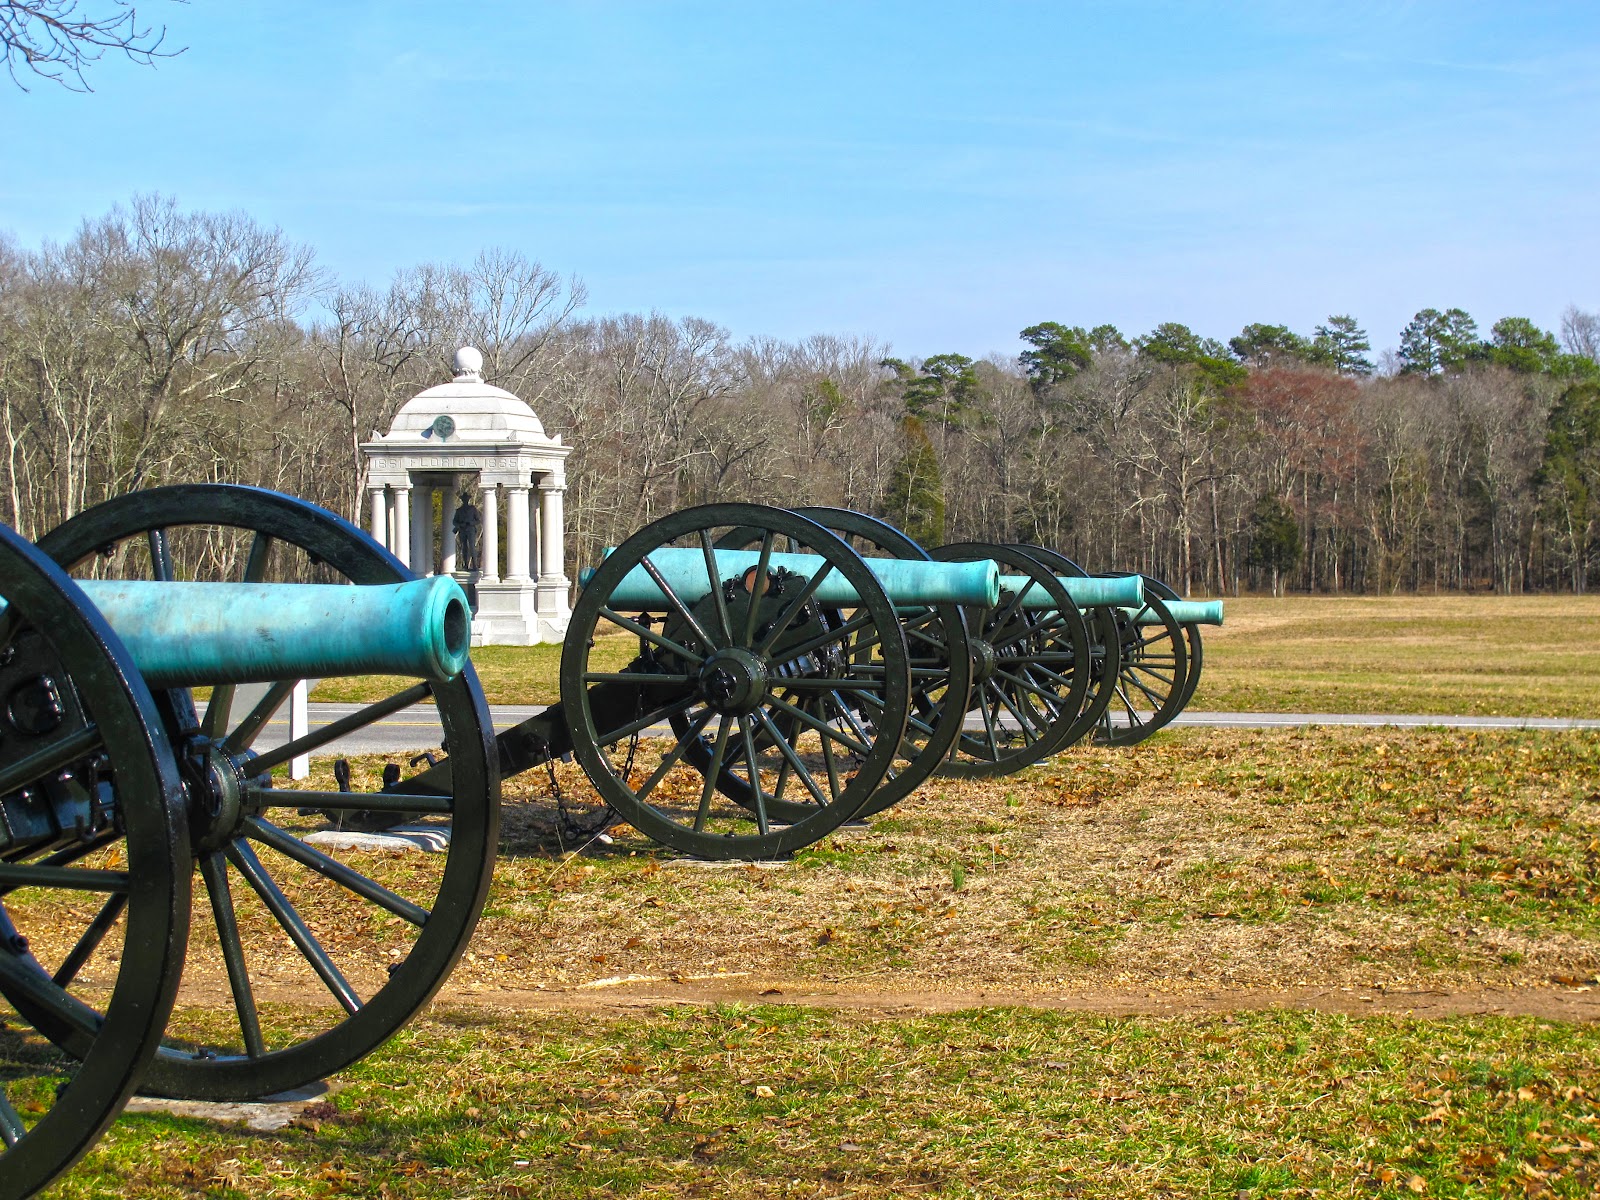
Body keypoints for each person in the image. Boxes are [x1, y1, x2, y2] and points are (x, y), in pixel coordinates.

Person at [451, 489, 482, 571]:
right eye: (464, 499)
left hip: (471, 529)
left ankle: (475, 565)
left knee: (472, 547)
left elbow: (478, 520)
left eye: (466, 499)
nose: (465, 501)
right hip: (463, 530)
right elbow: (454, 521)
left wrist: (471, 523)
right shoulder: (459, 511)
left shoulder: (472, 509)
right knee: (464, 548)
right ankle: (465, 565)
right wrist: (460, 525)